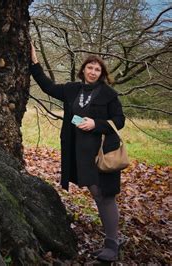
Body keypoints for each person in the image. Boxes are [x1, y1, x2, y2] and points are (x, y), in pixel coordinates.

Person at [29, 43, 125, 262]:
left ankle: (112, 243)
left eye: (97, 69)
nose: (92, 72)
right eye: (89, 68)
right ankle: (113, 239)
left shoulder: (109, 94)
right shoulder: (72, 89)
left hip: (101, 152)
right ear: (83, 70)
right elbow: (48, 87)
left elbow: (120, 121)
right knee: (97, 194)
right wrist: (34, 62)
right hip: (79, 154)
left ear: (102, 74)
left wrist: (95, 123)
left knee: (104, 195)